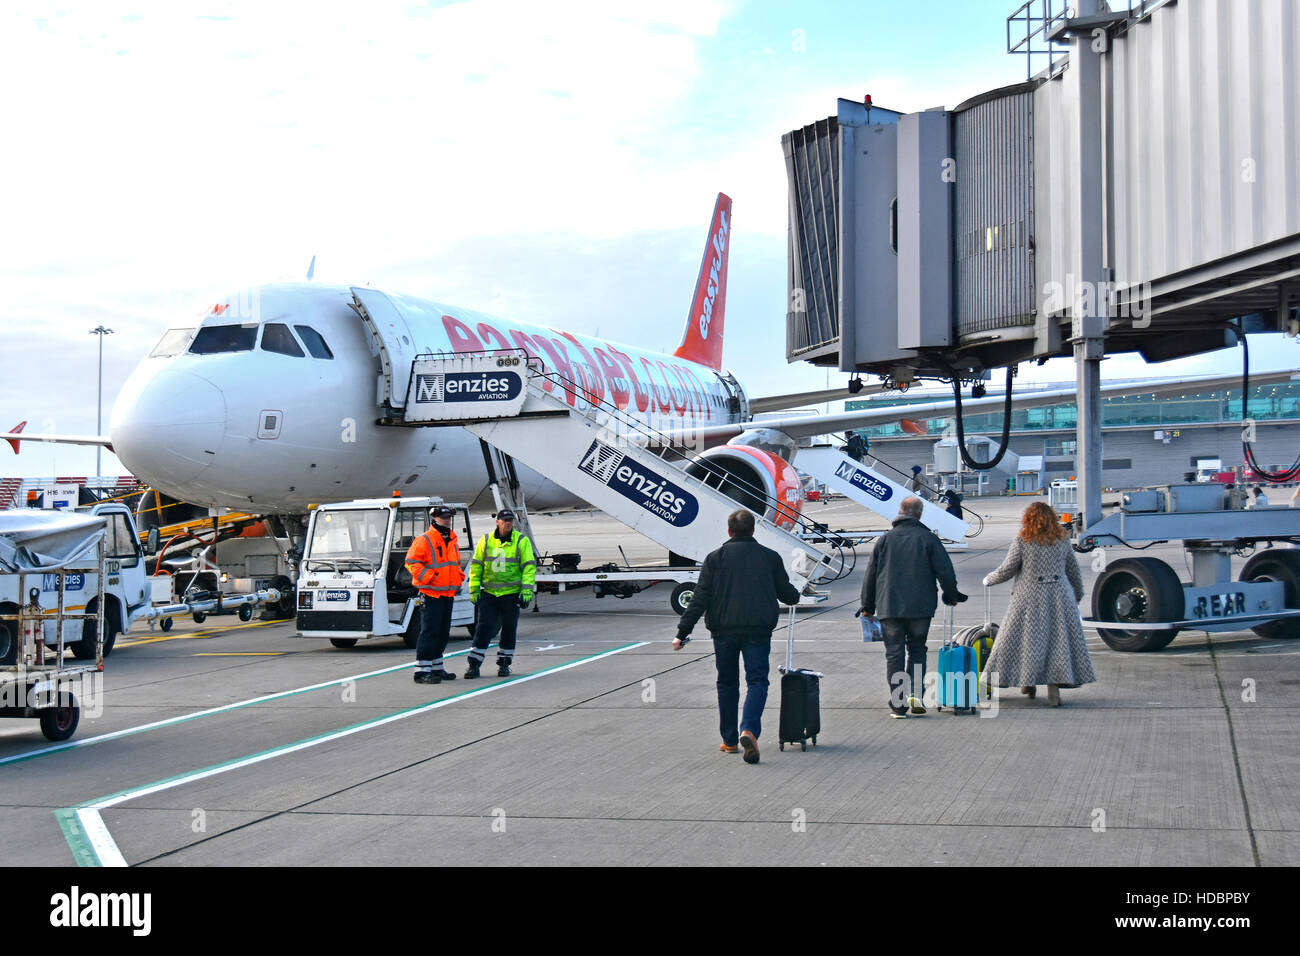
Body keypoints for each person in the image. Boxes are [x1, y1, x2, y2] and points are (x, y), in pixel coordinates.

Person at [672, 509, 802, 764]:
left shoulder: (715, 558)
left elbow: (700, 598)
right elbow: (788, 595)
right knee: (757, 681)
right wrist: (796, 592)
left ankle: (730, 740)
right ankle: (749, 729)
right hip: (758, 630)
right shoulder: (769, 557)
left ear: (729, 531)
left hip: (724, 631)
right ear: (753, 530)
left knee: (727, 684)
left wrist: (682, 632)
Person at [859, 496, 967, 717]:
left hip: (889, 606)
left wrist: (867, 606)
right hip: (920, 606)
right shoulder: (928, 539)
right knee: (917, 649)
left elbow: (870, 575)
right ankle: (916, 696)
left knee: (894, 653)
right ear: (919, 514)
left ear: (900, 511)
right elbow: (945, 571)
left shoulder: (885, 540)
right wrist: (951, 594)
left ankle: (898, 704)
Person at [980, 501, 1095, 706]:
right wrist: (1076, 595)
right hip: (1060, 597)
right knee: (1056, 643)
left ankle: (1028, 683)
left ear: (1028, 518)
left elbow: (1008, 569)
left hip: (1028, 598)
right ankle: (1054, 693)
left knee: (1024, 642)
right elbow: (1073, 571)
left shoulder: (1023, 539)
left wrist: (989, 579)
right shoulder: (1062, 539)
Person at [465, 508, 536, 678]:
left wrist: (526, 590)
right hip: (490, 593)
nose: (508, 523)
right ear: (497, 522)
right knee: (483, 628)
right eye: (504, 520)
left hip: (511, 594)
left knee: (509, 630)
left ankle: (504, 664)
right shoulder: (487, 539)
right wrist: (474, 589)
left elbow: (528, 566)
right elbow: (476, 565)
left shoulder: (521, 541)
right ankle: (474, 665)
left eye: (510, 520)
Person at [404, 505, 466, 685]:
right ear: (435, 518)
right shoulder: (424, 539)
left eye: (448, 516)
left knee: (442, 632)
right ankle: (422, 672)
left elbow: (454, 563)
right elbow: (412, 562)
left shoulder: (452, 539)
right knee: (429, 631)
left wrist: (459, 578)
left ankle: (437, 667)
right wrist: (430, 577)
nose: (446, 519)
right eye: (443, 517)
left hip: (447, 593)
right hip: (431, 593)